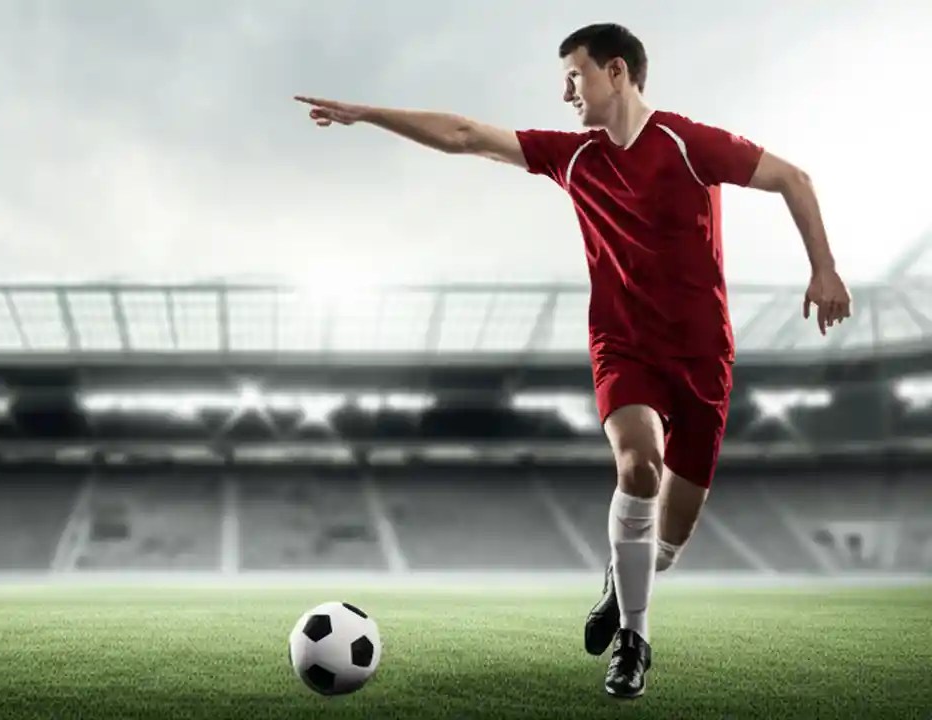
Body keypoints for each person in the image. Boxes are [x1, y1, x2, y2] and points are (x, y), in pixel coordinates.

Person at [294, 22, 852, 699]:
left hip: (704, 356)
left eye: (574, 76)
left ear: (616, 73)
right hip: (624, 346)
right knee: (638, 465)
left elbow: (793, 177)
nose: (565, 93)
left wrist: (824, 269)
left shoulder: (688, 143)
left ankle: (624, 584)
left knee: (668, 544)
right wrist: (368, 114)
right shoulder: (574, 158)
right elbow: (468, 135)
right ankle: (634, 642)